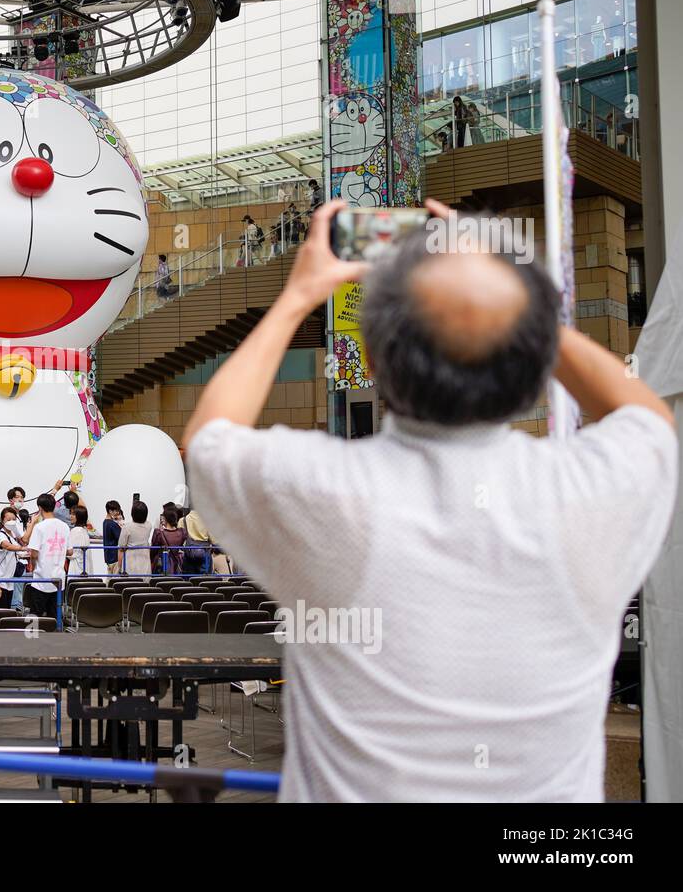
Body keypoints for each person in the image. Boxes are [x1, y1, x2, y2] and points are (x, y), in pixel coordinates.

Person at [183, 198, 677, 802]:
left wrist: (296, 298)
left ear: (372, 357)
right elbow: (646, 414)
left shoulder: (326, 496)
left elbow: (209, 438)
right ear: (536, 360)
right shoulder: (594, 491)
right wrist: (520, 303)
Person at [24, 493, 70, 618]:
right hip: (59, 578)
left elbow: (33, 554)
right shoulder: (65, 526)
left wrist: (33, 568)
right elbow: (70, 551)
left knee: (36, 615)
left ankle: (33, 637)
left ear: (39, 507)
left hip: (41, 578)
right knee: (55, 616)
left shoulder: (39, 527)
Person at [0, 506, 26, 609]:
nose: (11, 522)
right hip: (0, 579)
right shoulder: (0, 535)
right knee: (2, 610)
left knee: (8, 609)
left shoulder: (13, 534)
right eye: (8, 520)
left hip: (9, 580)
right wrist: (22, 549)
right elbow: (6, 545)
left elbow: (24, 540)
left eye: (14, 519)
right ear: (2, 521)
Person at [115, 499, 153, 576]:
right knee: (144, 584)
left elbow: (121, 548)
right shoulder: (149, 525)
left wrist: (119, 567)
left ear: (133, 513)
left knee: (130, 584)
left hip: (130, 560)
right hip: (144, 559)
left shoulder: (127, 527)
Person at [67, 506, 104, 577]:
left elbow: (72, 552)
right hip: (85, 564)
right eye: (70, 514)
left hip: (76, 565)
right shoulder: (84, 530)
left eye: (73, 514)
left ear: (79, 516)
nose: (71, 516)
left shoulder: (75, 531)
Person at [149, 505, 187, 575]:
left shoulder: (159, 533)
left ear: (165, 519)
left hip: (162, 564)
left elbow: (153, 551)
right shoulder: (182, 532)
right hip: (177, 564)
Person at [179, 507, 213, 574]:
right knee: (205, 580)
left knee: (189, 581)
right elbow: (214, 540)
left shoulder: (182, 520)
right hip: (205, 554)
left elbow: (180, 539)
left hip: (189, 554)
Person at [101, 500, 123, 574]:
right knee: (115, 578)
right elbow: (122, 538)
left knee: (110, 577)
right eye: (116, 510)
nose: (117, 512)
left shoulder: (105, 522)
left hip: (108, 555)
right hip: (114, 556)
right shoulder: (112, 524)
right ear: (110, 511)